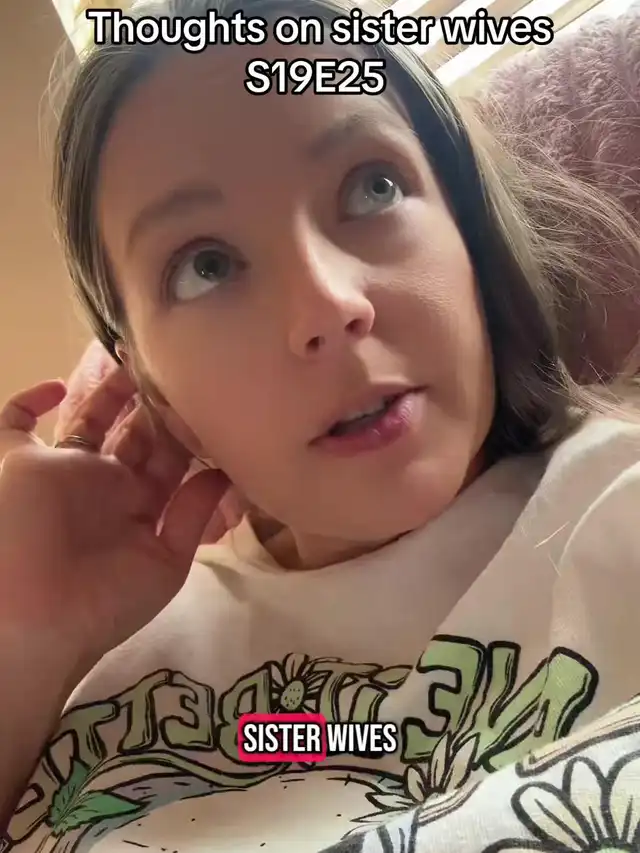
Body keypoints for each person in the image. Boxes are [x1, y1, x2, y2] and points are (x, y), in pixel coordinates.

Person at [1, 0, 640, 850]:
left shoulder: (618, 510)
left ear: (466, 226)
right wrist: (26, 639)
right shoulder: (92, 642)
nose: (327, 305)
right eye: (206, 266)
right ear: (150, 383)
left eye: (373, 187)